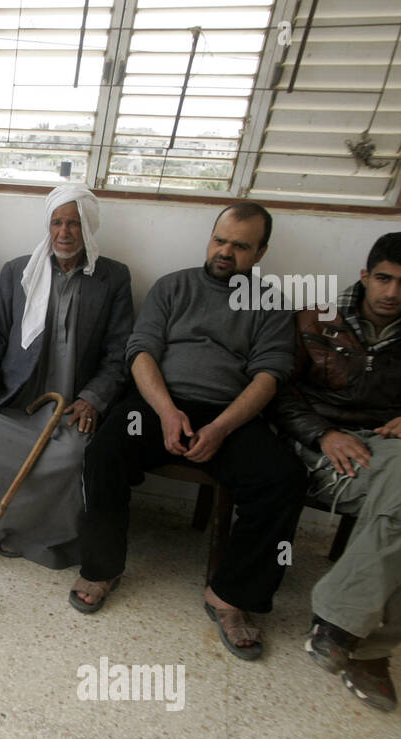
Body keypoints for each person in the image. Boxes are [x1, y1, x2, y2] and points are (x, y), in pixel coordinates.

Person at [71, 203, 306, 660]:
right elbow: (140, 351)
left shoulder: (271, 304)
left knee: (285, 479)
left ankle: (231, 596)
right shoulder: (173, 286)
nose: (225, 252)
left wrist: (219, 427)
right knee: (103, 452)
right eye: (220, 240)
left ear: (260, 253)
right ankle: (102, 567)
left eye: (240, 246)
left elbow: (269, 376)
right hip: (159, 403)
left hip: (229, 415)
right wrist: (166, 411)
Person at [276, 232, 401, 710]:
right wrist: (323, 433)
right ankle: (371, 650)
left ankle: (339, 624)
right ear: (365, 275)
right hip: (315, 446)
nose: (391, 292)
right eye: (383, 278)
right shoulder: (317, 318)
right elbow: (277, 392)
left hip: (386, 451)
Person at [0, 183, 133, 568]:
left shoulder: (113, 278)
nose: (64, 232)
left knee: (74, 454)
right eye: (56, 223)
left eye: (74, 224)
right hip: (17, 401)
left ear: (88, 228)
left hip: (69, 409)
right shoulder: (18, 272)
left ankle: (36, 539)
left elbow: (119, 354)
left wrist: (93, 399)